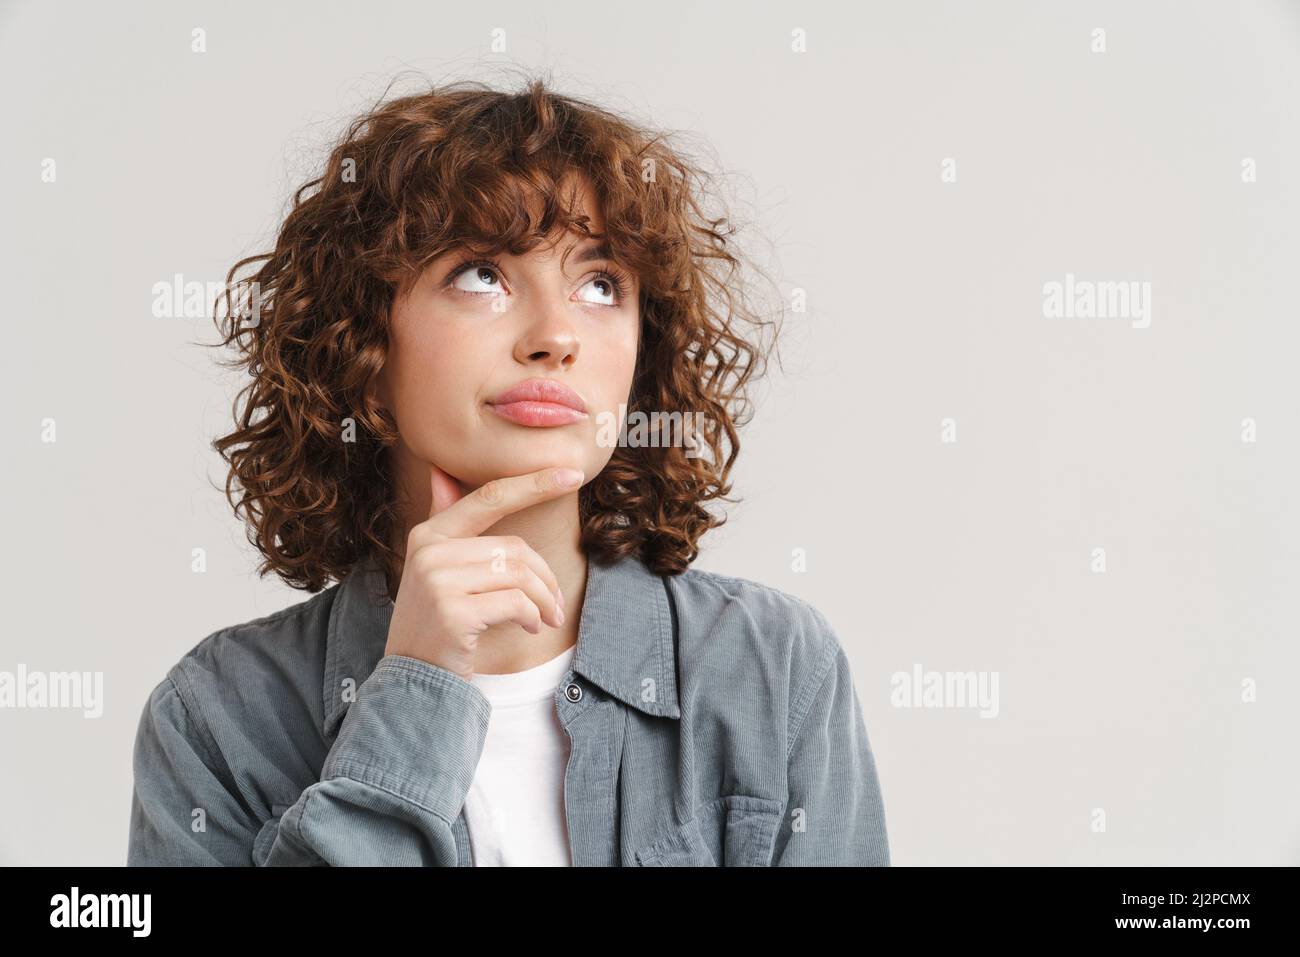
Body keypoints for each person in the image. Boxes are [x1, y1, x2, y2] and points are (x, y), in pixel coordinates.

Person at [127, 74, 890, 866]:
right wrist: (417, 688)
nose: (555, 335)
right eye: (482, 274)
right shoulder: (216, 717)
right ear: (362, 344)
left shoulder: (775, 668)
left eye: (600, 284)